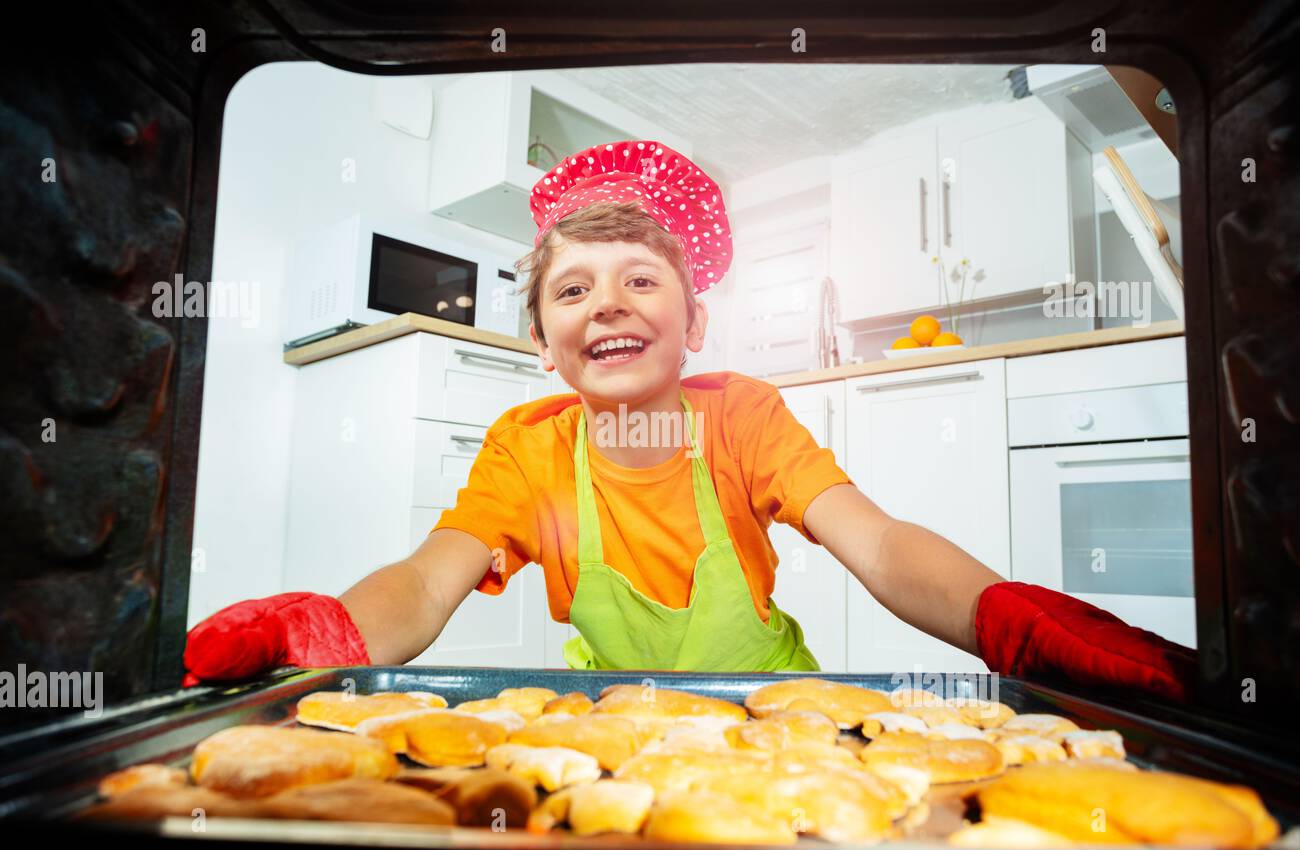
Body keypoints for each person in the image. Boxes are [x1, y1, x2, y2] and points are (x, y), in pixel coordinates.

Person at [184, 140, 1195, 701]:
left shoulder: (743, 416)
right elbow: (425, 577)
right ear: (542, 341)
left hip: (776, 711)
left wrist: (999, 615)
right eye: (571, 290)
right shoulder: (527, 449)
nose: (608, 303)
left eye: (639, 278)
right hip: (607, 724)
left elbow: (878, 544)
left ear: (693, 318)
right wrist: (338, 627)